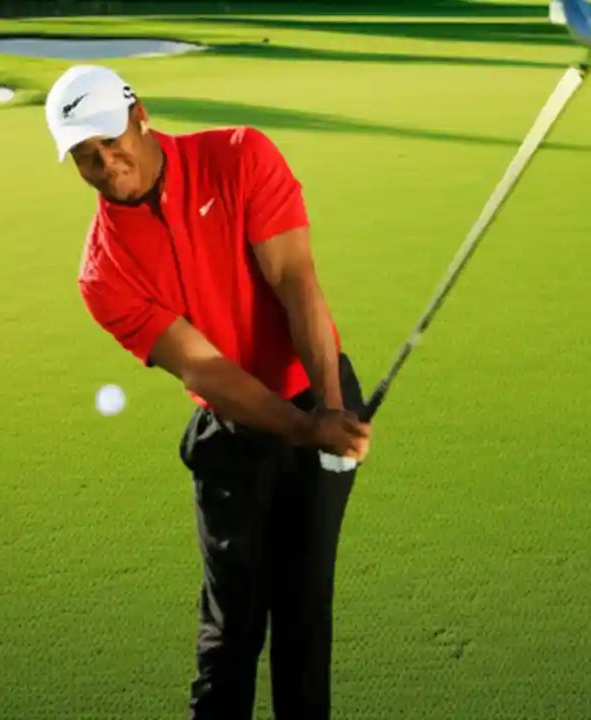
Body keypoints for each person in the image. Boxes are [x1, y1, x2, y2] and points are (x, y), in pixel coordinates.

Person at [45, 64, 372, 720]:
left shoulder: (239, 156)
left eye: (110, 140)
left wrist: (329, 410)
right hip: (232, 431)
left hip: (317, 391)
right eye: (84, 155)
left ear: (140, 114)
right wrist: (303, 429)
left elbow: (295, 279)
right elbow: (205, 371)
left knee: (304, 613)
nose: (105, 164)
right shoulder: (103, 272)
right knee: (231, 630)